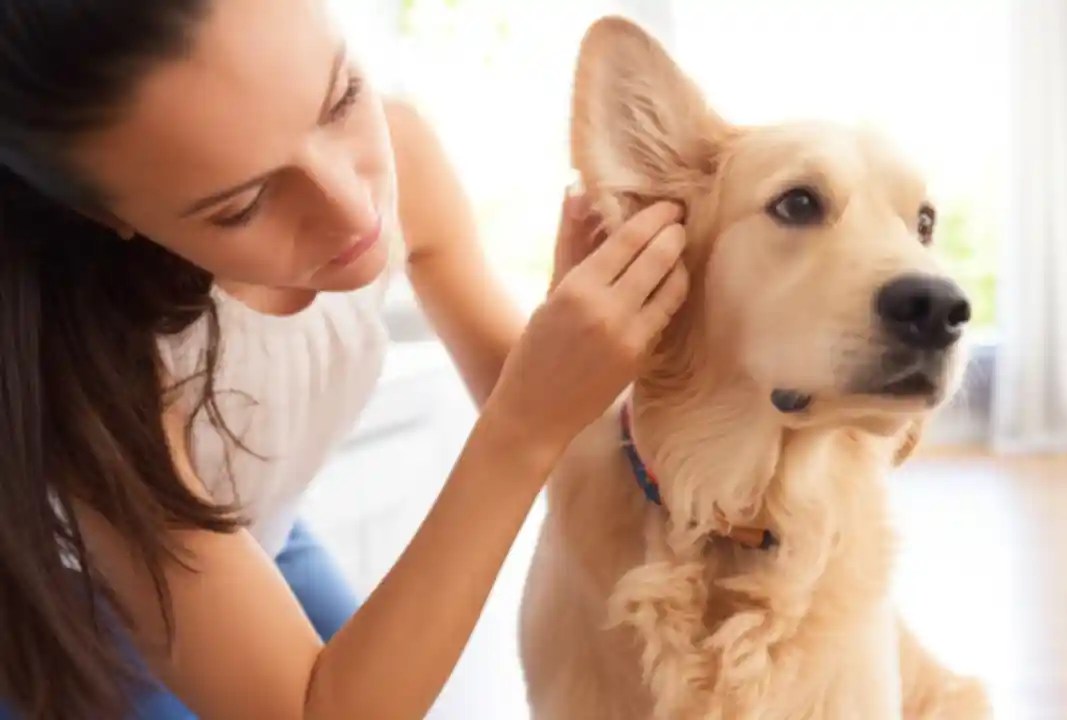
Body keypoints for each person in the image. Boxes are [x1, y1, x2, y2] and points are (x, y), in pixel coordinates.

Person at [0, 1, 689, 718]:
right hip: (76, 604)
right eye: (244, 205)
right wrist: (524, 425)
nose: (358, 213)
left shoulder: (406, 157)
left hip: (258, 523)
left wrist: (570, 351)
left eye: (343, 99)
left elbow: (539, 400)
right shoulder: (83, 375)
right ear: (106, 215)